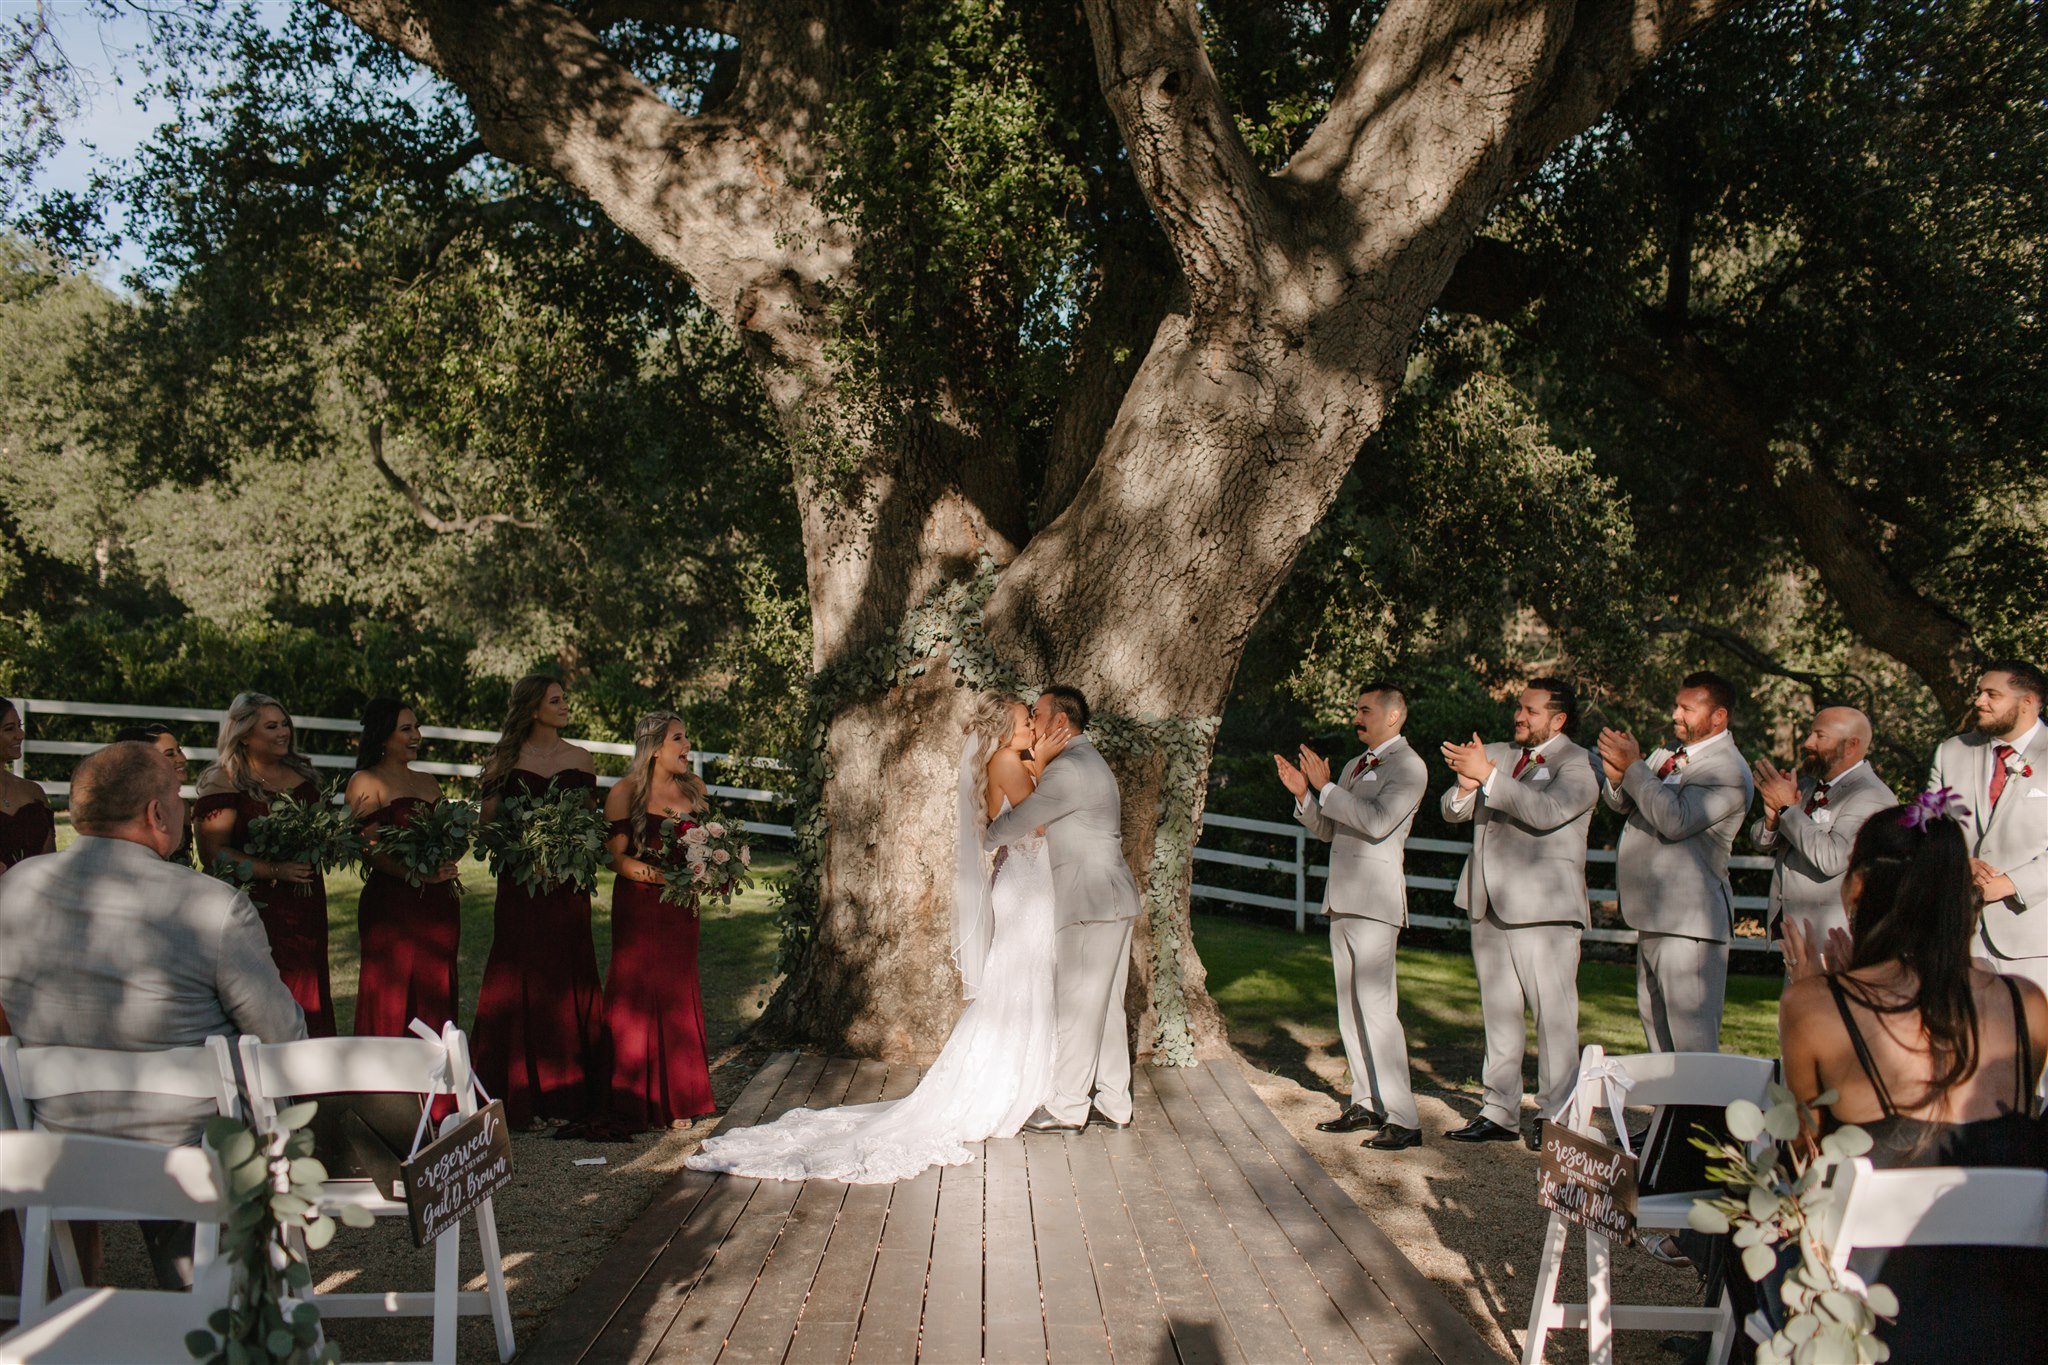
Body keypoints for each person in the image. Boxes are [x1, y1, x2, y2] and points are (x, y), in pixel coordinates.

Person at [689, 692, 1057, 1180]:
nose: (1032, 726)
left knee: (1019, 977)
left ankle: (1029, 1082)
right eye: (1023, 721)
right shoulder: (1011, 761)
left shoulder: (1003, 760)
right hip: (1027, 884)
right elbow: (1041, 823)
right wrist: (1048, 764)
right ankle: (1019, 1087)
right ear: (1004, 731)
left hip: (1020, 882)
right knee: (1022, 977)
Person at [0, 743, 305, 1290]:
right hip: (189, 1154)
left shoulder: (12, 891)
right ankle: (224, 1297)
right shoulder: (212, 906)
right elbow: (281, 1037)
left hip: (59, 1144)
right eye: (179, 800)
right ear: (156, 814)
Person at [1779, 792, 2048, 1362]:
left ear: (1857, 887)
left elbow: (1803, 1165)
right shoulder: (2027, 1005)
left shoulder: (1815, 1006)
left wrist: (1824, 991)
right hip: (2013, 1313)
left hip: (1876, 1313)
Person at [1439, 678, 1598, 1150]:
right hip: (1486, 900)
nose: (1519, 717)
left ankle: (1557, 1116)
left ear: (1559, 719)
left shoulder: (1580, 764)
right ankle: (1498, 1110)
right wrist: (1466, 788)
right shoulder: (1499, 754)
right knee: (1499, 1013)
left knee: (1554, 1018)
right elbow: (1452, 811)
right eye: (1518, 709)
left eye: (1530, 710)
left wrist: (1487, 777)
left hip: (1546, 910)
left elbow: (1546, 811)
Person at [1275, 683, 1429, 1151]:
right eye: (1356, 709)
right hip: (1342, 898)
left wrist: (1325, 788)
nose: (1356, 718)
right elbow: (1329, 828)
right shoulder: (1352, 765)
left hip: (1377, 902)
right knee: (1350, 1010)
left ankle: (1404, 1118)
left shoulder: (1409, 766)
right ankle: (1364, 1102)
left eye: (1365, 710)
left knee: (1379, 1010)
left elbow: (1379, 821)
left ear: (1395, 714)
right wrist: (1305, 795)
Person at [987, 684, 1142, 1133]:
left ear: (1060, 722)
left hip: (1090, 901)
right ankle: (1115, 1101)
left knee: (1078, 1003)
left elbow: (1020, 820)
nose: (1032, 722)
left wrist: (980, 838)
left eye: (1037, 713)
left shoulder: (1069, 770)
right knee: (1107, 1006)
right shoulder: (1088, 761)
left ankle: (1068, 1106)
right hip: (1112, 898)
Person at [470, 674, 609, 1129]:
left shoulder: (580, 758)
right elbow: (487, 828)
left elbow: (592, 824)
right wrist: (525, 851)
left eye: (564, 698)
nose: (565, 705)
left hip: (567, 891)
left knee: (568, 974)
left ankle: (569, 1090)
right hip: (522, 889)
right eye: (556, 700)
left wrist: (569, 851)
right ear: (533, 708)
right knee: (520, 974)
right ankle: (518, 1089)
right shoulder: (504, 760)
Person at [1598, 670, 1755, 1054]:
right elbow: (1630, 803)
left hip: (1690, 922)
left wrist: (1634, 767)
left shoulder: (1728, 771)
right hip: (1653, 913)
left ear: (1718, 717)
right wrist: (1617, 777)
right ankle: (1669, 1114)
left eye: (1686, 708)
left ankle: (1701, 1113)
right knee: (1657, 1033)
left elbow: (1675, 820)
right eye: (1676, 705)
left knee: (1693, 1042)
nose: (1675, 714)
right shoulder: (1669, 753)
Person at [193, 691, 338, 1037]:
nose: (283, 732)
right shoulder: (224, 779)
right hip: (256, 905)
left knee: (309, 981)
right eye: (270, 726)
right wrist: (275, 870)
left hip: (306, 901)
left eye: (284, 723)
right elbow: (213, 854)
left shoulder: (301, 772)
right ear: (243, 734)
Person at [601, 711, 716, 1130]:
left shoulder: (696, 791)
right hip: (640, 906)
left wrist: (712, 874)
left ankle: (680, 1095)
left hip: (682, 908)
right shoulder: (625, 792)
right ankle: (635, 1095)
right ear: (653, 747)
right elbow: (616, 859)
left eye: (686, 737)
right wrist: (664, 877)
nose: (687, 747)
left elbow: (707, 847)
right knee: (638, 989)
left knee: (677, 988)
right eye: (678, 739)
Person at [1928, 660, 2048, 997]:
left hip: (2035, 940)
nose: (1979, 701)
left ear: (2028, 702)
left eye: (1992, 694)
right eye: (1979, 693)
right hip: (1958, 933)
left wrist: (2008, 884)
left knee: (2032, 1045)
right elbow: (1925, 826)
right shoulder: (1951, 752)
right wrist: (1956, 861)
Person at [345, 698, 462, 1040]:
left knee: (436, 987)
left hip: (439, 905)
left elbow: (445, 834)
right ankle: (387, 1087)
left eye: (417, 728)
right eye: (406, 729)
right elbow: (368, 847)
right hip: (393, 905)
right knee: (392, 993)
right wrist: (417, 874)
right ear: (383, 736)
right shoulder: (365, 780)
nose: (416, 735)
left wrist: (451, 853)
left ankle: (436, 1089)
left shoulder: (428, 782)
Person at [1749, 706, 1891, 972]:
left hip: (1834, 941)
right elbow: (1761, 841)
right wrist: (1771, 817)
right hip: (1798, 936)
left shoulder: (1870, 796)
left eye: (1820, 736)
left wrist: (1785, 809)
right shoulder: (1806, 786)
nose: (1807, 743)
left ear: (1851, 745)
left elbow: (1832, 858)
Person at [113, 722, 196, 866]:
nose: (182, 759)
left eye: (179, 750)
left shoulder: (182, 806)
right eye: (170, 754)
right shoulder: (126, 811)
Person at [0, 698, 56, 876]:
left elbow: (50, 860)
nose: (21, 734)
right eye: (9, 729)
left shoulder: (33, 792)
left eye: (19, 725)